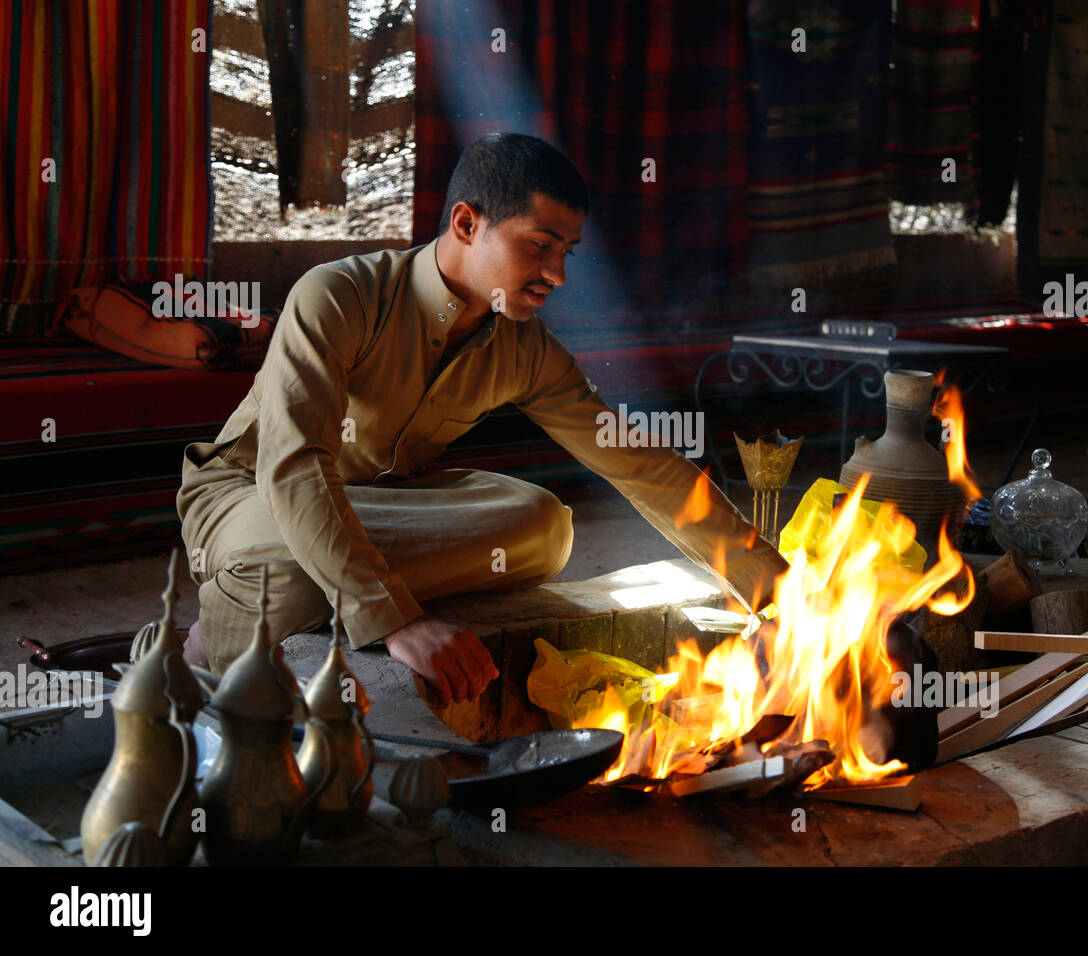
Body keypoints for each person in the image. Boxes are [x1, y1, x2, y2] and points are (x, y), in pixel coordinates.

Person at [177, 131, 786, 706]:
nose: (558, 274)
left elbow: (638, 464)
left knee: (545, 526)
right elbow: (294, 468)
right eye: (539, 246)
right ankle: (202, 644)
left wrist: (771, 584)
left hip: (381, 503)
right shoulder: (337, 295)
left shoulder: (524, 348)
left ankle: (333, 578)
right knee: (287, 567)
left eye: (566, 252)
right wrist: (398, 622)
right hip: (248, 490)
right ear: (467, 223)